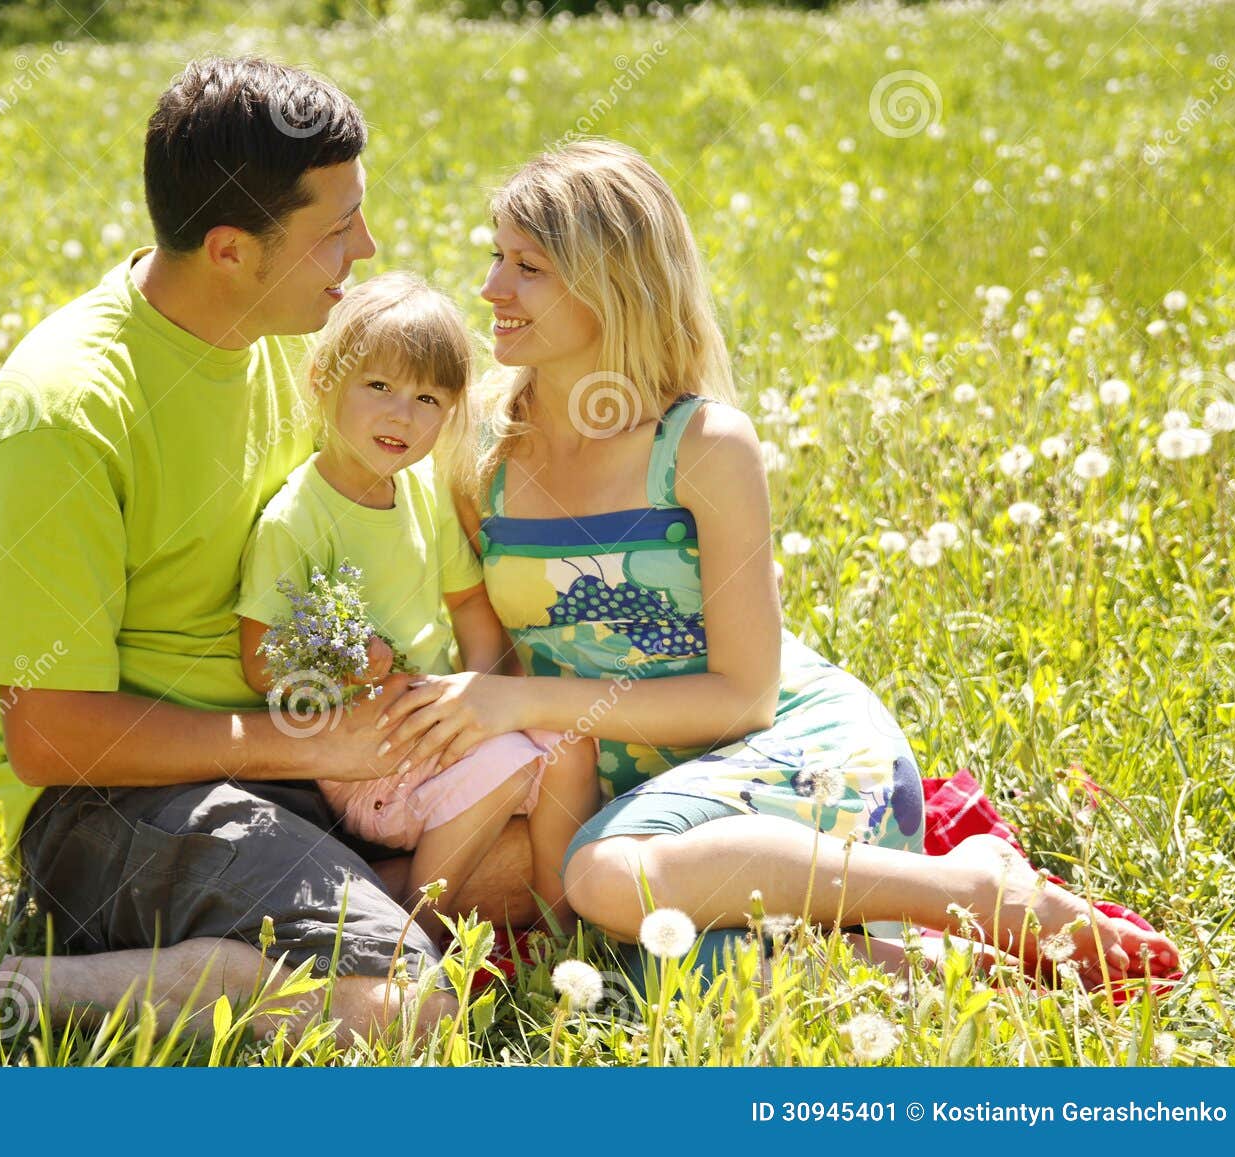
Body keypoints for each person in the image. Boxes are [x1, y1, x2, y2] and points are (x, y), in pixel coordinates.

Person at [374, 140, 1182, 990]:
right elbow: (486, 641)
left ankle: (967, 890)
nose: (492, 289)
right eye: (494, 256)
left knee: (609, 878)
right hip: (644, 798)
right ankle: (949, 966)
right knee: (675, 969)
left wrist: (522, 699)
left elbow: (743, 695)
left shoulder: (701, 445)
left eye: (527, 266)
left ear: (612, 283)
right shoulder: (480, 443)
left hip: (784, 753)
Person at [0, 58, 538, 1043]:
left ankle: (328, 920)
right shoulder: (61, 416)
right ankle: (24, 978)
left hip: (313, 762)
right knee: (413, 1009)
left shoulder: (305, 340)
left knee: (555, 848)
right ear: (230, 249)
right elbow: (47, 734)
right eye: (334, 230)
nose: (366, 245)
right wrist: (312, 738)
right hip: (117, 804)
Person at [235, 272, 601, 936]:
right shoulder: (297, 518)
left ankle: (560, 933)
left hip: (435, 717)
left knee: (571, 746)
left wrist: (482, 692)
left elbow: (469, 607)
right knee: (508, 764)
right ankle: (414, 933)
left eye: (428, 397)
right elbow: (259, 662)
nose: (402, 415)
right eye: (379, 386)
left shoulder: (425, 490)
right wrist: (346, 672)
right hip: (370, 753)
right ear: (323, 379)